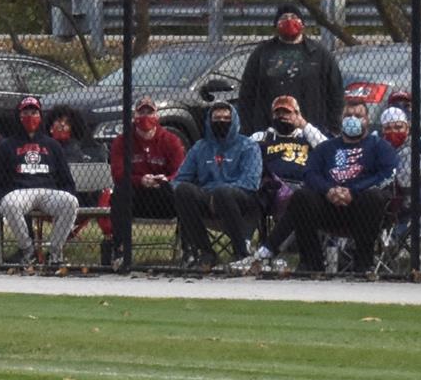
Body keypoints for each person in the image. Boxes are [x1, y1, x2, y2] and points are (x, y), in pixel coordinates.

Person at [286, 99, 397, 273]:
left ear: (367, 120)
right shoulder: (326, 148)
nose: (352, 119)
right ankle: (311, 264)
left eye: (358, 116)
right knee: (301, 197)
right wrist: (328, 190)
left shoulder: (379, 146)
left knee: (374, 197)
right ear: (341, 119)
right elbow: (309, 174)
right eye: (348, 115)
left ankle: (363, 264)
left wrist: (353, 191)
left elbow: (387, 174)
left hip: (362, 208)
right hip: (330, 206)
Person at [229, 95, 328, 272]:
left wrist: (303, 125)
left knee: (300, 199)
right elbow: (242, 157)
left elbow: (328, 151)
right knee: (255, 194)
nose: (282, 117)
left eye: (287, 113)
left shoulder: (308, 135)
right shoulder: (262, 136)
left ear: (298, 114)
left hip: (302, 188)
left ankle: (265, 252)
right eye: (278, 113)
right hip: (270, 189)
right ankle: (244, 249)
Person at [170, 100, 262, 266]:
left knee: (223, 193)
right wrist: (204, 194)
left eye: (226, 118)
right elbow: (180, 178)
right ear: (209, 121)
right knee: (183, 190)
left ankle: (242, 253)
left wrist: (222, 192)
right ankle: (206, 253)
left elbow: (251, 181)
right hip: (207, 195)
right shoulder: (200, 147)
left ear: (234, 121)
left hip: (240, 197)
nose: (221, 122)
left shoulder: (248, 146)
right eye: (216, 118)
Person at [0, 96, 79, 265]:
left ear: (40, 116)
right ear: (18, 116)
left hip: (48, 191)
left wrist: (66, 193)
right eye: (26, 112)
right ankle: (28, 251)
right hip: (20, 192)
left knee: (71, 202)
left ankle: (54, 253)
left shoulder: (52, 145)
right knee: (9, 204)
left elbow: (66, 179)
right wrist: (0, 198)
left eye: (34, 112)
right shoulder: (6, 145)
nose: (30, 116)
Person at [238, 2, 345, 130]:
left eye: (294, 17)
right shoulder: (262, 53)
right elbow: (247, 92)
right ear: (276, 25)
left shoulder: (319, 53)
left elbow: (335, 92)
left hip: (310, 127)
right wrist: (249, 128)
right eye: (283, 18)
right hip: (269, 128)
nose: (289, 20)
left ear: (302, 23)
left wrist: (332, 127)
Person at [109, 97, 186, 222]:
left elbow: (180, 172)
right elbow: (118, 174)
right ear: (134, 115)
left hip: (162, 195)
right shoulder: (122, 141)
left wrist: (165, 179)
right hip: (135, 194)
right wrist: (141, 180)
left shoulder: (171, 140)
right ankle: (118, 240)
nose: (145, 117)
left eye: (149, 112)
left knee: (182, 192)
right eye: (141, 113)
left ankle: (186, 240)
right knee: (120, 191)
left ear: (157, 115)